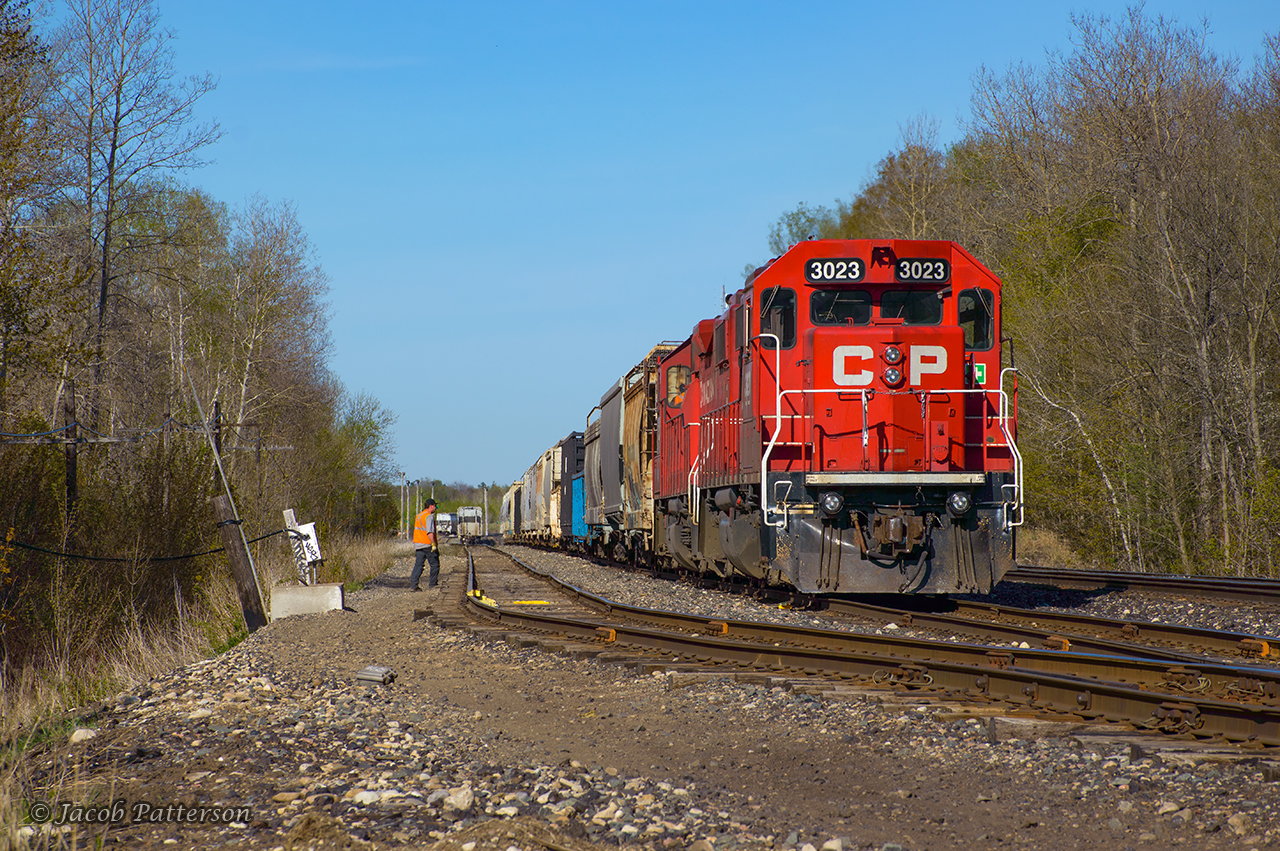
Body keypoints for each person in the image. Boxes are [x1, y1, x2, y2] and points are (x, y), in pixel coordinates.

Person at [410, 498, 439, 591]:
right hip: (427, 544)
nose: (435, 508)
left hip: (418, 544)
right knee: (435, 564)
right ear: (431, 506)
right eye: (435, 506)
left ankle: (413, 586)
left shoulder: (419, 516)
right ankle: (433, 584)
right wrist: (433, 543)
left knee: (418, 565)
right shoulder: (429, 516)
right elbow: (430, 532)